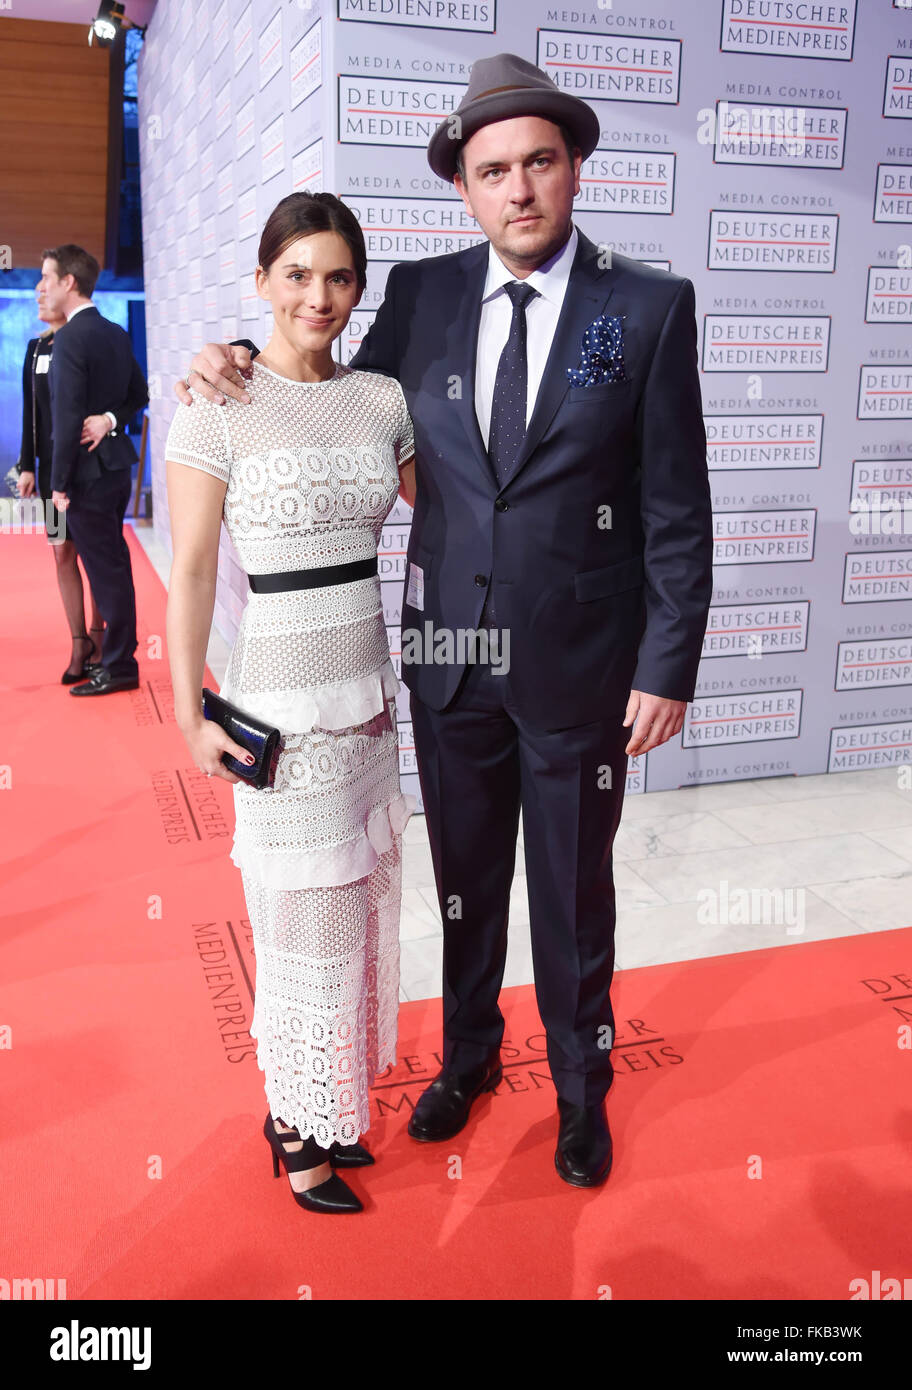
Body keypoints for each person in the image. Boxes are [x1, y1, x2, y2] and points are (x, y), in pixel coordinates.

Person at [177, 53, 713, 1188]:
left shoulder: (646, 307)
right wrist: (223, 356)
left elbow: (675, 504)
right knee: (464, 878)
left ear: (573, 169)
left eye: (538, 163)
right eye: (492, 171)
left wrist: (667, 664)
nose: (517, 189)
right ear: (464, 189)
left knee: (575, 894)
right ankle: (469, 1058)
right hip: (444, 659)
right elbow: (322, 396)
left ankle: (581, 1091)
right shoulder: (418, 296)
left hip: (582, 665)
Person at [165, 191, 416, 1214]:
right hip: (279, 701)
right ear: (262, 281)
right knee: (296, 918)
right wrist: (192, 711)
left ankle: (325, 1104)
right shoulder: (217, 401)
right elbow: (186, 572)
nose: (319, 295)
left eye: (339, 276)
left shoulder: (382, 399)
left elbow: (453, 509)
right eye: (298, 274)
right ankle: (293, 1125)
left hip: (366, 699)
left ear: (359, 287)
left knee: (353, 912)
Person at [15, 283, 145, 684]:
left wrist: (108, 419)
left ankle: (99, 636)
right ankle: (79, 643)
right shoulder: (36, 350)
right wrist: (26, 465)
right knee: (61, 552)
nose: (41, 299)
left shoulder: (89, 340)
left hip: (90, 475)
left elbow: (134, 394)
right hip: (55, 471)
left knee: (94, 556)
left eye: (45, 292)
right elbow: (31, 413)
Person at [42, 244, 149, 696]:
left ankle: (117, 664)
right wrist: (110, 418)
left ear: (70, 282)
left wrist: (58, 487)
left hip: (81, 477)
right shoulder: (115, 333)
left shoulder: (69, 338)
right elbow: (138, 396)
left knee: (105, 570)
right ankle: (108, 656)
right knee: (112, 567)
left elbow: (66, 419)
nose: (41, 288)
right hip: (113, 471)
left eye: (47, 278)